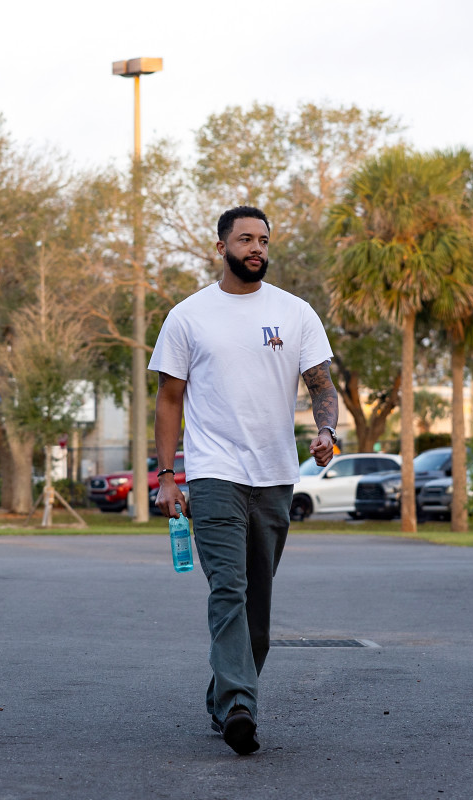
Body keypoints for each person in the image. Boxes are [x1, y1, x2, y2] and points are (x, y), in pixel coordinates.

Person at [149, 205, 339, 755]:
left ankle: (223, 696)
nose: (256, 248)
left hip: (275, 475)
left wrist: (326, 431)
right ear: (221, 247)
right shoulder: (188, 316)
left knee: (258, 611)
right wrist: (167, 476)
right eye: (245, 239)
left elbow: (321, 385)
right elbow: (169, 399)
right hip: (214, 474)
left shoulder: (295, 312)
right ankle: (239, 706)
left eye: (263, 240)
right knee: (228, 589)